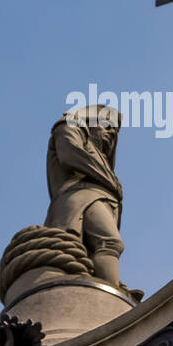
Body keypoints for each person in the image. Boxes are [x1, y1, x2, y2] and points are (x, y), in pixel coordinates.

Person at [45, 105, 125, 287]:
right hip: (81, 196)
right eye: (106, 125)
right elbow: (69, 155)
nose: (110, 133)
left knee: (88, 253)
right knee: (110, 242)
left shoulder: (100, 158)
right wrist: (109, 181)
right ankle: (109, 292)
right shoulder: (69, 126)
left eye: (113, 130)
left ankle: (107, 287)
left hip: (98, 198)